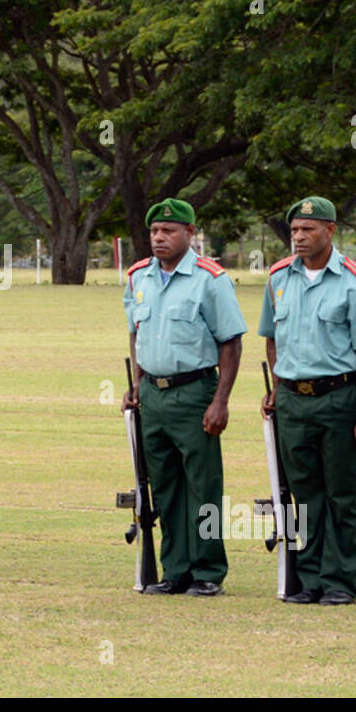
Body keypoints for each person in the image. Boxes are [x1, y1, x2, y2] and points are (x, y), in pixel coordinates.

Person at [259, 196, 356, 605]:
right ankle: (310, 578)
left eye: (308, 229)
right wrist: (278, 389)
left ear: (330, 231)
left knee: (341, 494)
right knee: (304, 493)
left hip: (338, 399)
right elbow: (271, 340)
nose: (299, 237)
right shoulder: (279, 277)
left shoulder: (355, 281)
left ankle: (340, 580)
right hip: (294, 402)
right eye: (295, 229)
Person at [122, 198, 245, 595]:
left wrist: (220, 401)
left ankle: (208, 570)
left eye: (169, 231)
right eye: (155, 231)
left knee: (203, 486)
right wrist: (135, 384)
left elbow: (230, 342)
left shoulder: (211, 279)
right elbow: (136, 332)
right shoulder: (138, 276)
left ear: (190, 234)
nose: (160, 237)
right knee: (164, 486)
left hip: (195, 392)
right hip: (152, 395)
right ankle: (175, 570)